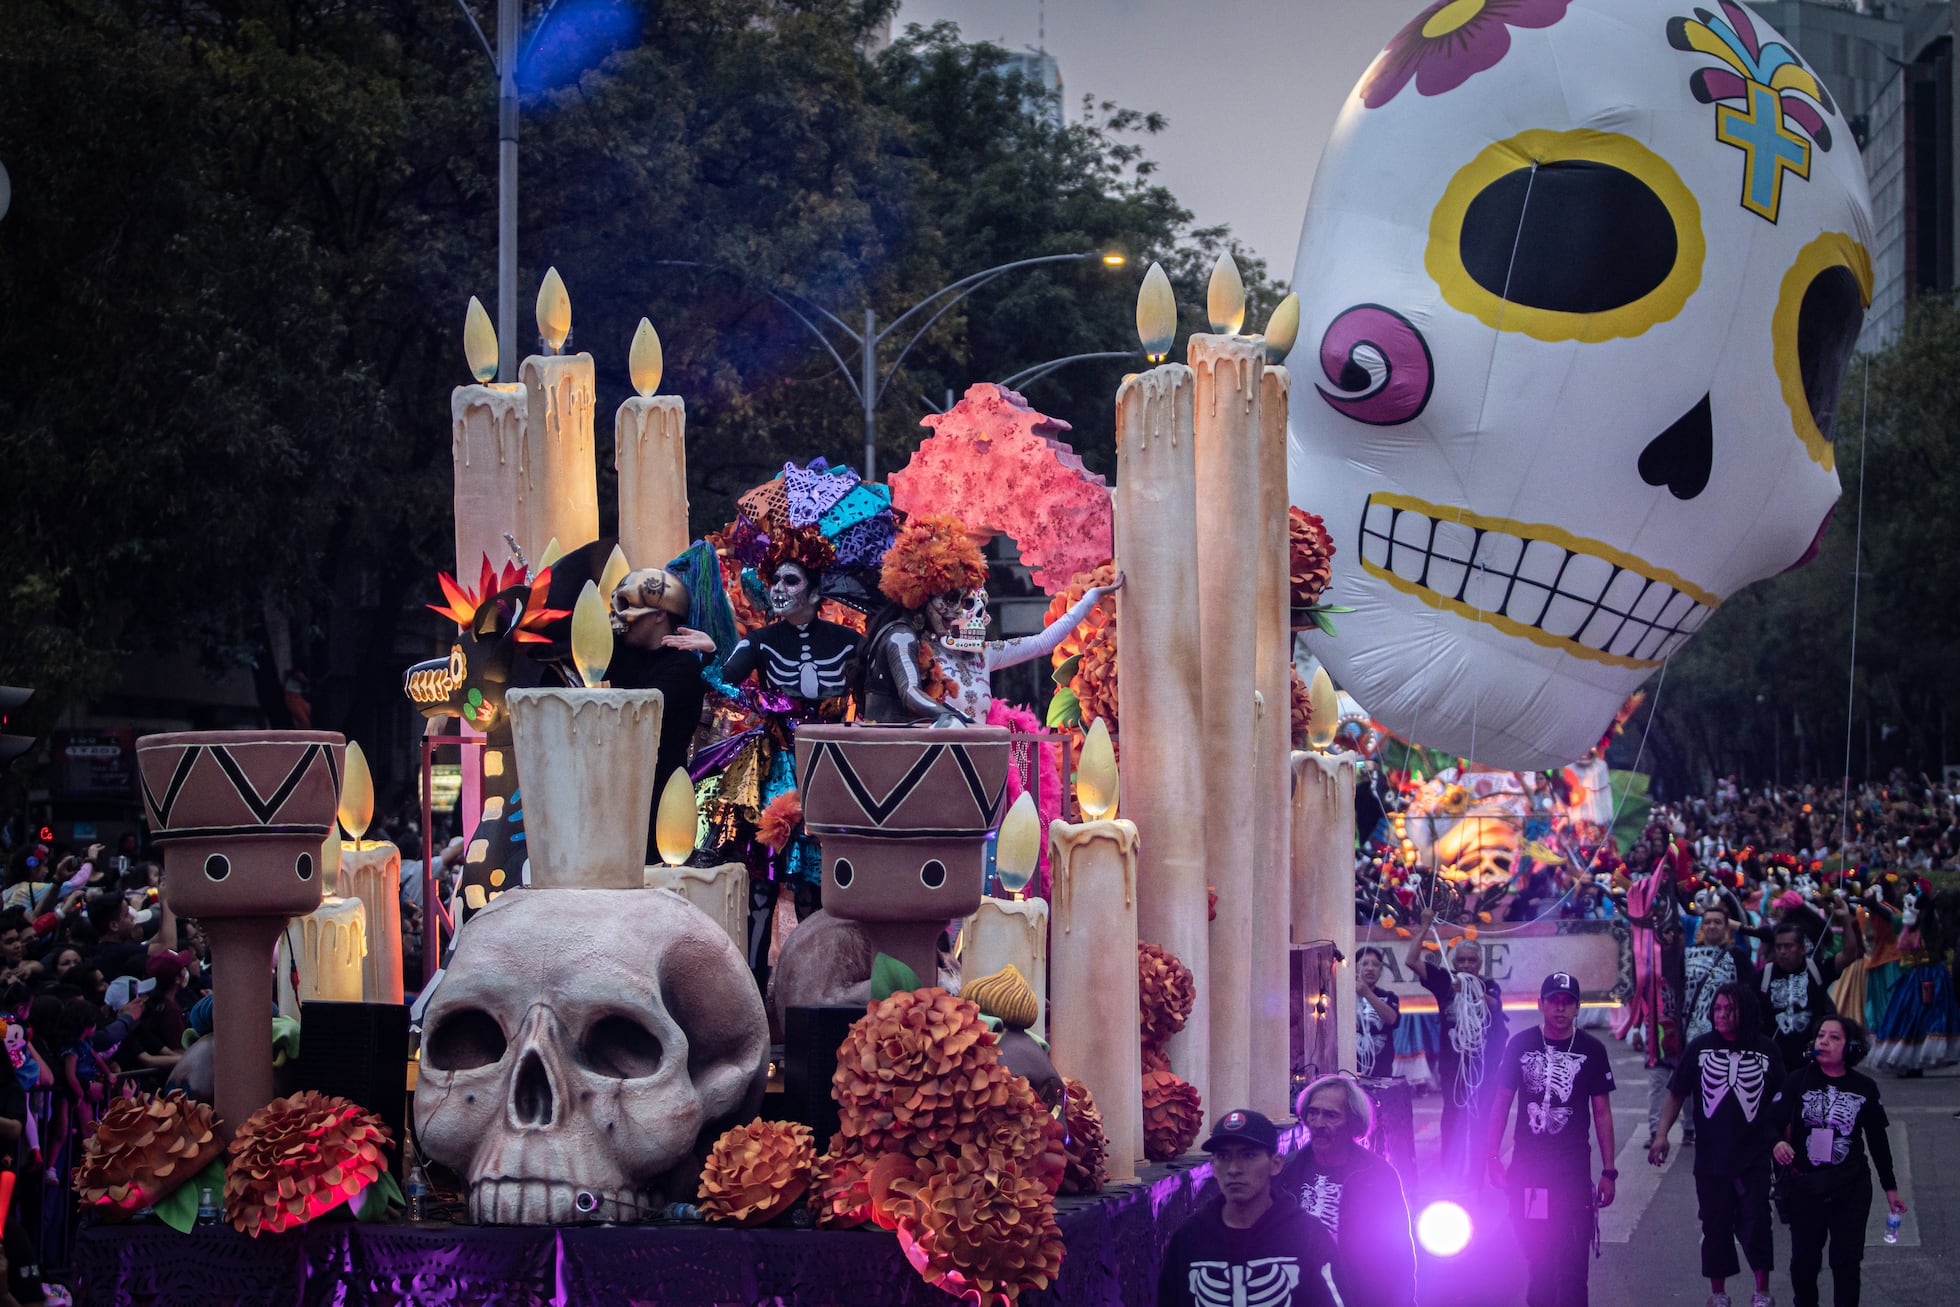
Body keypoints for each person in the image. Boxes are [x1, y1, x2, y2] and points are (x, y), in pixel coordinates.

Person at [1486, 972, 1617, 1307]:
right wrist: (1491, 1157)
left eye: (1568, 1002)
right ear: (1540, 1004)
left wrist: (1609, 1170)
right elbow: (1501, 1102)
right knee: (1540, 1261)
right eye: (1554, 1001)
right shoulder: (1521, 1044)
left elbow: (1602, 1112)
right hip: (1530, 1175)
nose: (1560, 1008)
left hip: (1572, 1175)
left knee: (1574, 1266)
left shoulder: (1592, 1049)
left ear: (1577, 1007)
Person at [1650, 982, 1785, 1307]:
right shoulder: (1699, 1048)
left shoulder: (1767, 1050)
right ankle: (1718, 1294)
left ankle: (1761, 1292)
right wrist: (1661, 1134)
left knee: (1757, 1222)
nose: (1722, 1015)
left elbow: (1783, 1101)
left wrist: (1783, 1142)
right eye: (1718, 1009)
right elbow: (1676, 1092)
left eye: (1730, 1009)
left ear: (1745, 1012)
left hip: (1753, 1156)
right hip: (1711, 1159)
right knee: (1715, 1226)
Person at [1766, 1015, 1904, 1307]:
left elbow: (1878, 1141)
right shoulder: (1797, 1080)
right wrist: (1777, 1142)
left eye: (1834, 1037)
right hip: (1805, 1186)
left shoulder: (1864, 1087)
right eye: (1821, 1036)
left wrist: (1890, 1188)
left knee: (1846, 1263)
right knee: (1803, 1265)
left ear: (1851, 1048)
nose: (1824, 1042)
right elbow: (1771, 1123)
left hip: (1850, 1186)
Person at [1156, 1109, 1336, 1307]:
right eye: (1223, 1156)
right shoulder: (1189, 1239)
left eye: (1248, 1155)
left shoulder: (1307, 1235)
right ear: (1214, 1168)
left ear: (1275, 1164)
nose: (1234, 1169)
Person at [1279, 1075, 1416, 1307]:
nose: (1318, 1123)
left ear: (1353, 1122)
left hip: (1360, 1295)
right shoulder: (1287, 1171)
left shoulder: (1378, 1175)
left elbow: (1399, 1251)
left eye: (1331, 1115)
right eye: (1313, 1112)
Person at [1405, 908, 1506, 1184]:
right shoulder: (1444, 982)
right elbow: (1411, 960)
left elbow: (1495, 1006)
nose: (1466, 966)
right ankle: (1450, 1171)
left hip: (1483, 1065)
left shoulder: (1490, 985)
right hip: (1453, 1065)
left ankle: (1477, 1174)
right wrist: (1424, 926)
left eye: (1471, 961)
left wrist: (1473, 990)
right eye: (1461, 960)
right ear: (1455, 962)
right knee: (1452, 1114)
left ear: (1479, 963)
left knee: (1481, 1119)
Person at [1759, 914, 1858, 1071]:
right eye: (1779, 947)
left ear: (1802, 948)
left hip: (1812, 1059)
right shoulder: (1763, 976)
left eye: (1788, 946)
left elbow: (1850, 954)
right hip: (1775, 1060)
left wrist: (1845, 918)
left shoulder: (1817, 970)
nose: (1783, 952)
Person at [1354, 945, 1401, 1079]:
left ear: (1380, 971)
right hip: (1350, 1069)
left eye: (1375, 965)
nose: (1370, 968)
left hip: (1381, 1069)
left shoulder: (1389, 996)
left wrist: (1367, 993)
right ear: (1355, 969)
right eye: (1364, 964)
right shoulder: (1343, 996)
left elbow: (1392, 1019)